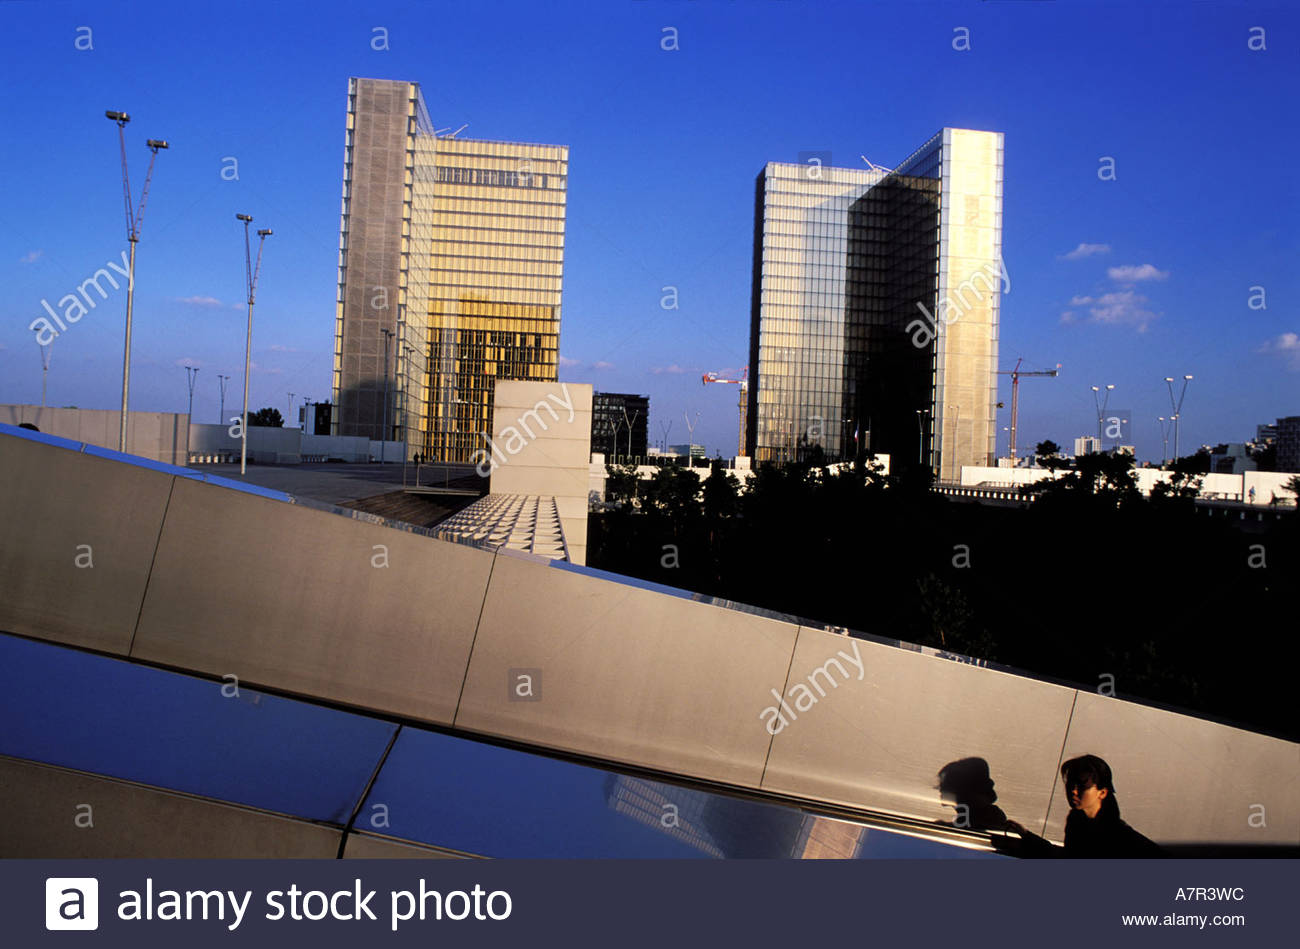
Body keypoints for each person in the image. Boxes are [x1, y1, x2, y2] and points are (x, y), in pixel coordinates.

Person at [1058, 754, 1162, 857]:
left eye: (1082, 786)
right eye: (1071, 784)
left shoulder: (1121, 838)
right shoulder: (1075, 823)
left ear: (1102, 793)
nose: (1074, 791)